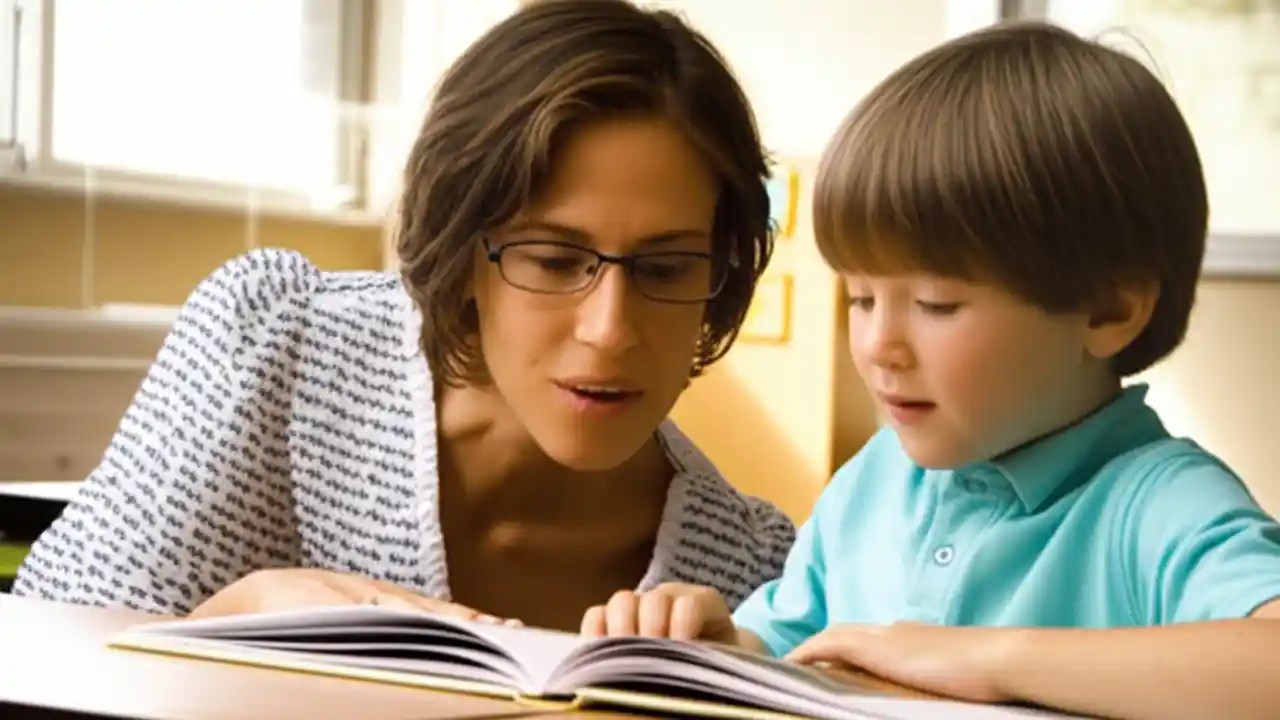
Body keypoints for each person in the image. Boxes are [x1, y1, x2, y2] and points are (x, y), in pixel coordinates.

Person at [13, 0, 795, 633]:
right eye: (554, 260)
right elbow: (31, 655)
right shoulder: (275, 350)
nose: (610, 328)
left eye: (664, 268)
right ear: (460, 259)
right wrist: (237, 616)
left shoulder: (746, 571)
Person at [581, 20, 1280, 719]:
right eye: (859, 297)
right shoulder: (873, 484)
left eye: (936, 304)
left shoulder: (1158, 505)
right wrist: (721, 643)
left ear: (1107, 311)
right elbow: (796, 653)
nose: (878, 346)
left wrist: (986, 659)